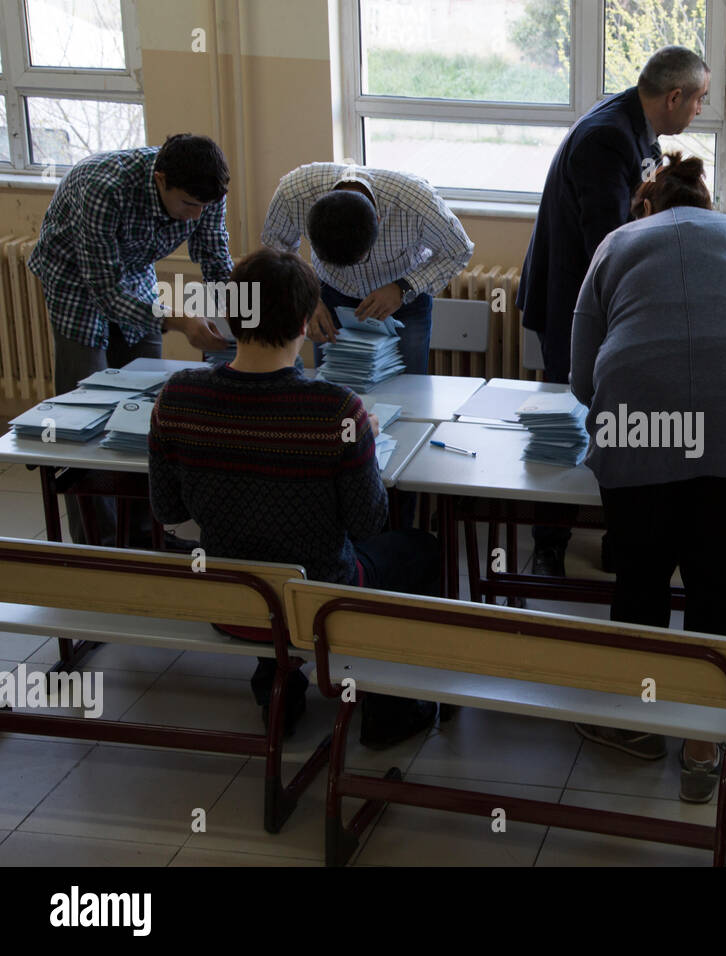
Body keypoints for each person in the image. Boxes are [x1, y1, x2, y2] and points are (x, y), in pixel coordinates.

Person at [569, 154, 726, 802]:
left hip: (638, 414)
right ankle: (704, 744)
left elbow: (583, 380)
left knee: (641, 579)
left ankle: (639, 727)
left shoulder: (617, 243)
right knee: (715, 584)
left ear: (645, 205)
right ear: (709, 203)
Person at [148, 248, 445, 748]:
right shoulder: (336, 410)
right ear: (307, 323)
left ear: (230, 313)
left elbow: (169, 511)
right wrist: (361, 445)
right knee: (421, 549)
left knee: (261, 548)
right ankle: (388, 708)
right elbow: (369, 523)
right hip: (319, 600)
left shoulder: (177, 396)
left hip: (233, 598)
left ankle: (276, 694)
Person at [518, 45, 710, 577]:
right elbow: (608, 241)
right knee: (568, 421)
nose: (699, 111)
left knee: (619, 423)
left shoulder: (633, 122)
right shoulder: (609, 136)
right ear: (674, 96)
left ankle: (618, 535)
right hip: (573, 303)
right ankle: (548, 544)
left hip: (603, 300)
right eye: (698, 101)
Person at [28, 133, 233, 545]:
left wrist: (242, 321)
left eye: (204, 207)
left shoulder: (205, 190)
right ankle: (97, 539)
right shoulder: (103, 186)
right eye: (188, 205)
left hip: (133, 271)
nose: (196, 215)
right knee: (83, 410)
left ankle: (143, 530)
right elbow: (103, 287)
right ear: (160, 180)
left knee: (147, 402)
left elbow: (214, 257)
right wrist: (179, 321)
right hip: (74, 278)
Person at [261, 161, 474, 375]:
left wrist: (403, 288)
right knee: (332, 383)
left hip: (404, 300)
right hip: (329, 295)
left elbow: (459, 250)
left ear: (378, 221)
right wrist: (308, 298)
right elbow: (275, 248)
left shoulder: (415, 202)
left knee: (408, 388)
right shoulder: (294, 193)